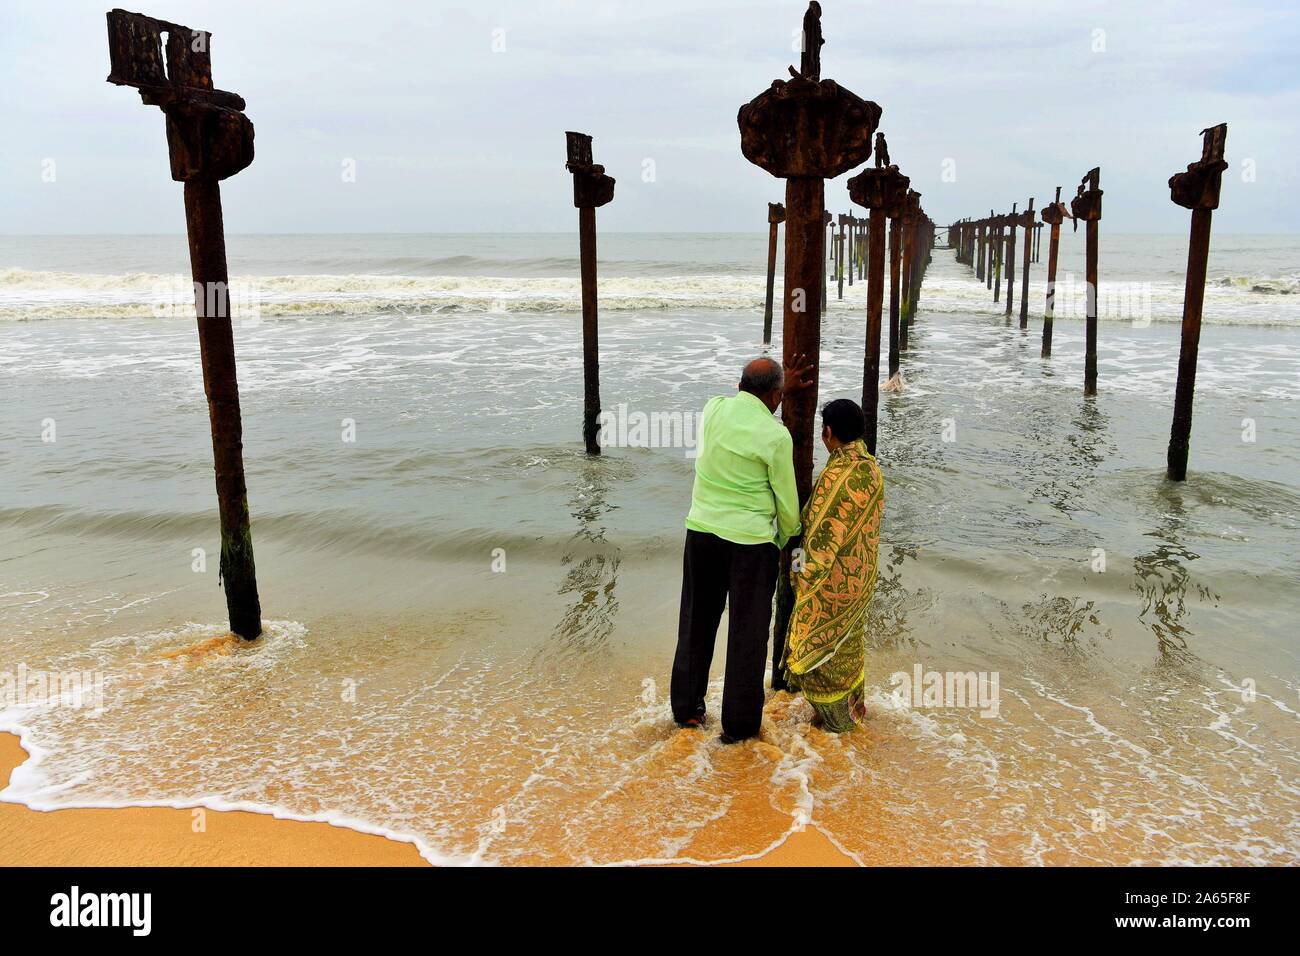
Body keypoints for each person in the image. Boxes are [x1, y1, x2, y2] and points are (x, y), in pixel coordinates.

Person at [671, 355, 812, 743]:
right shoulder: (775, 436)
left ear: (740, 385)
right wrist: (789, 538)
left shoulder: (713, 410)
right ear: (775, 395)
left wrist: (777, 388)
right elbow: (786, 501)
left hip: (701, 533)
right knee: (747, 637)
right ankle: (739, 727)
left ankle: (687, 712)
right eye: (779, 395)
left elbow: (744, 394)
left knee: (696, 623)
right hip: (750, 546)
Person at [781, 399, 884, 733]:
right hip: (861, 583)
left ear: (827, 433)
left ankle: (837, 729)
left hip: (833, 588)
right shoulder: (871, 469)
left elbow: (820, 541)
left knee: (822, 659)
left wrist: (796, 574)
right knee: (850, 651)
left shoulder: (836, 476)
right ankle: (854, 719)